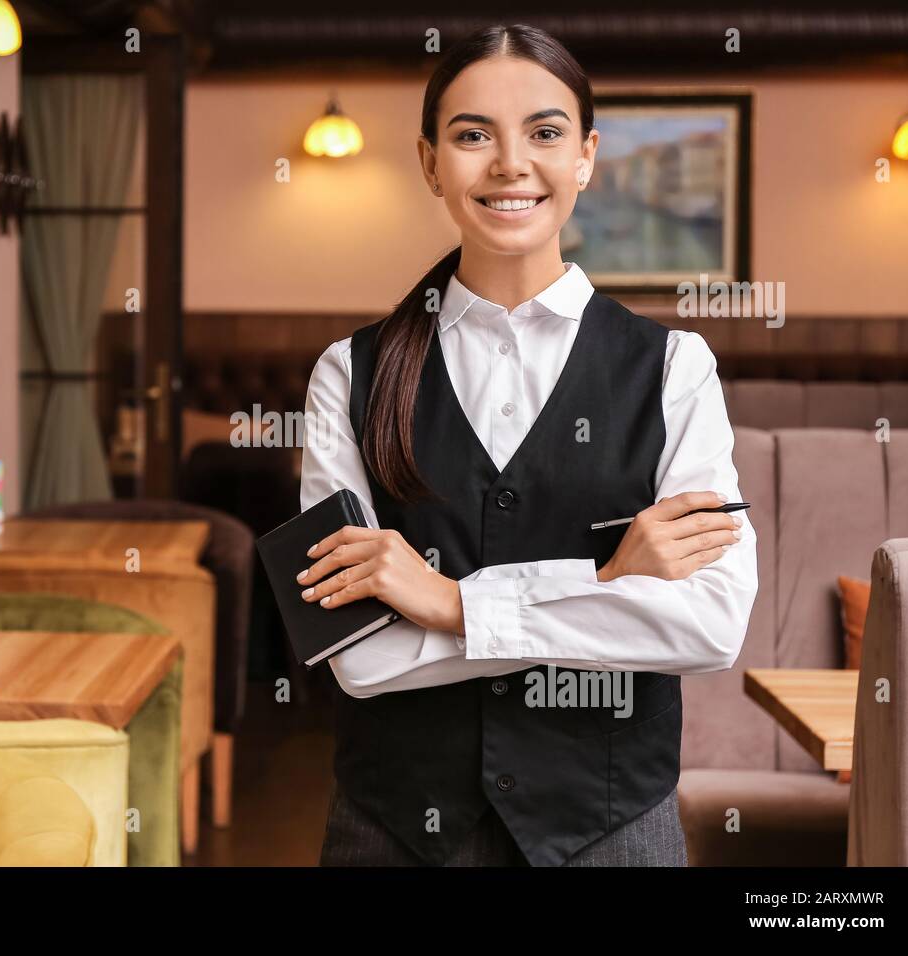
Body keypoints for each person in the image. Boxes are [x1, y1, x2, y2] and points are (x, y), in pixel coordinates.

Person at [297, 23, 758, 867]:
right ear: (431, 162)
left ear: (585, 156)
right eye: (473, 135)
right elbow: (356, 654)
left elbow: (709, 624)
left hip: (611, 828)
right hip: (394, 828)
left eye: (545, 133)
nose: (511, 164)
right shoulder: (347, 374)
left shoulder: (676, 369)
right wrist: (611, 584)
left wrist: (448, 603)